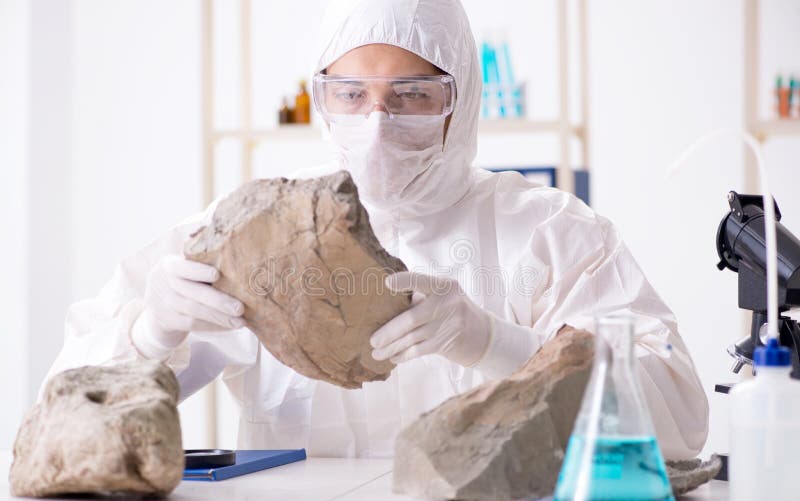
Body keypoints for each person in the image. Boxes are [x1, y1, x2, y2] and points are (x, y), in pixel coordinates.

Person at [44, 0, 708, 459]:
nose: (378, 123)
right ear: (321, 95)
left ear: (460, 97)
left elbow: (681, 420)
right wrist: (149, 332)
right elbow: (58, 425)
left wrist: (496, 341)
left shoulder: (546, 232)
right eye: (352, 93)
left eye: (413, 95)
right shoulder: (254, 231)